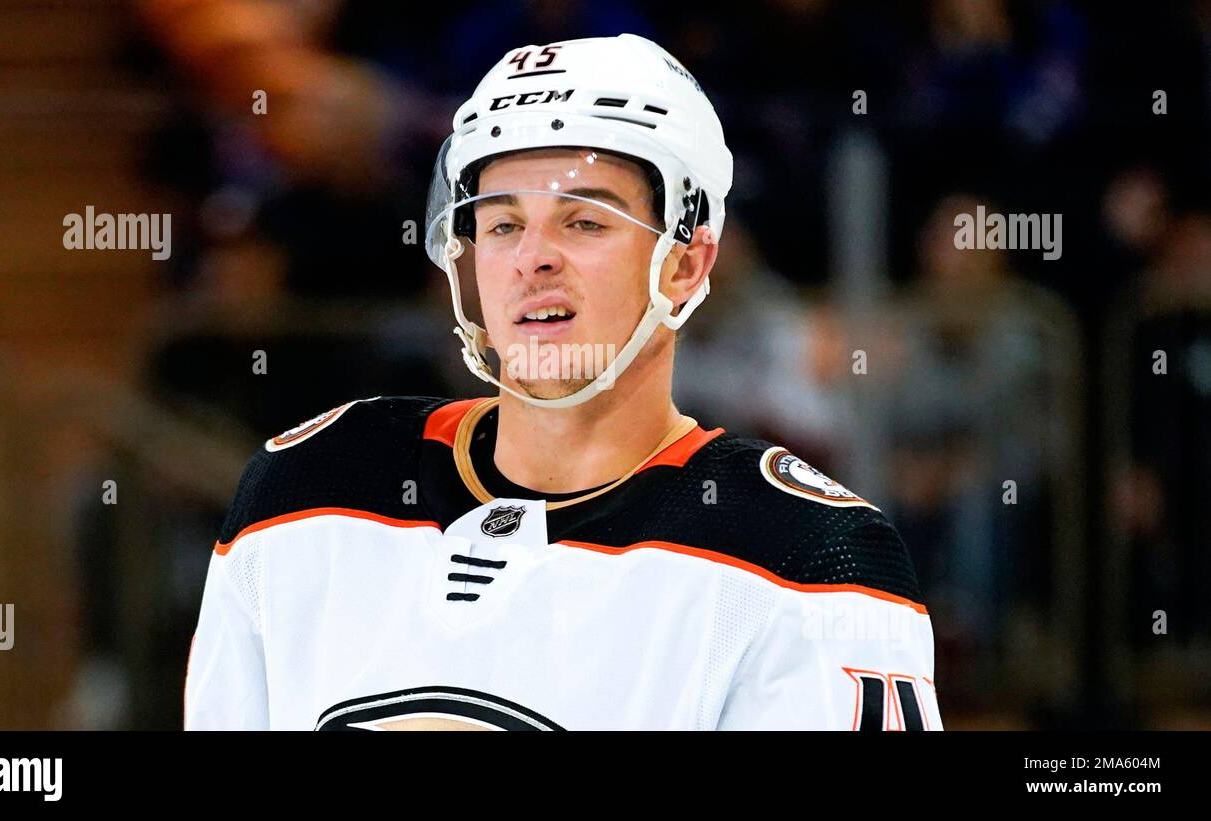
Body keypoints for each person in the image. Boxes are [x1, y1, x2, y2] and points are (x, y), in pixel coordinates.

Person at [184, 33, 942, 730]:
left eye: (584, 221)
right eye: (503, 223)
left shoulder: (807, 557)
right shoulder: (307, 490)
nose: (533, 257)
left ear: (686, 263)